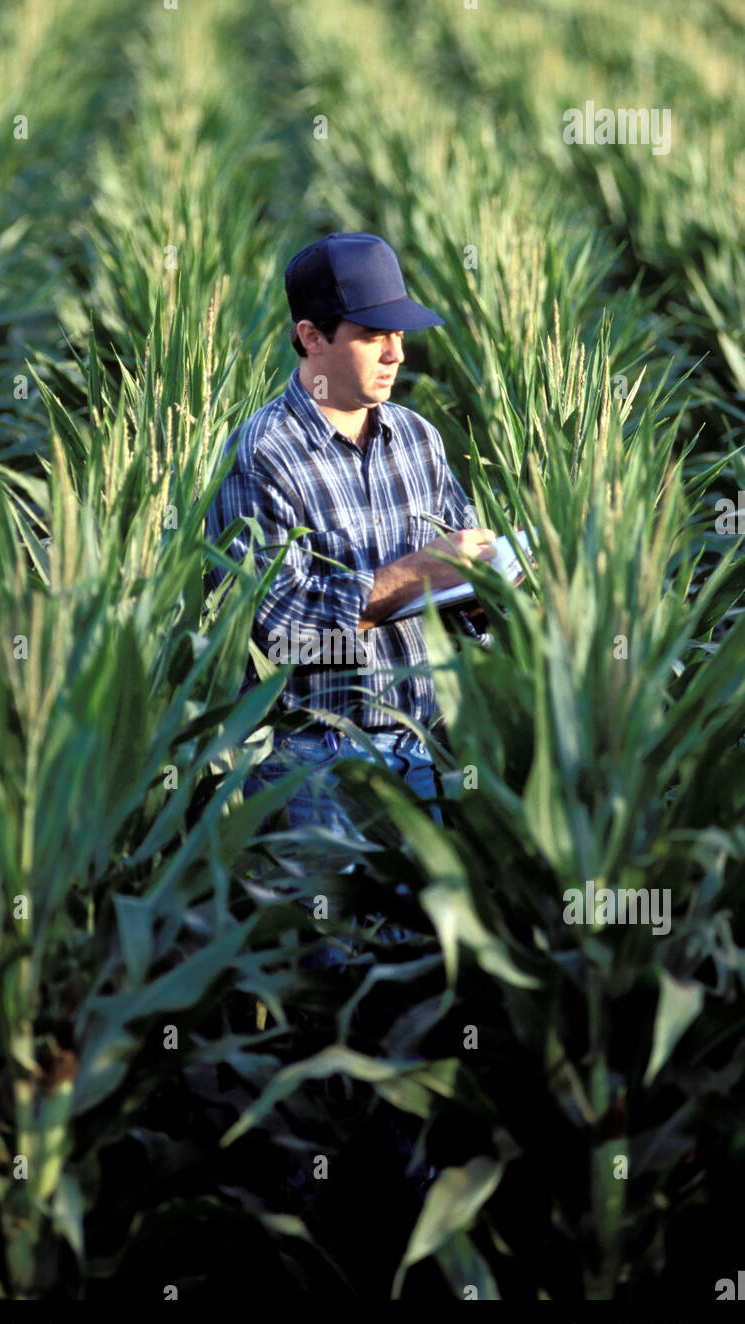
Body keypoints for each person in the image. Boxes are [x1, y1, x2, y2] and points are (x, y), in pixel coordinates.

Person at [205, 232, 496, 915]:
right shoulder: (260, 457)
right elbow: (275, 635)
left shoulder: (418, 438)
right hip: (314, 766)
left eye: (399, 332)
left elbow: (459, 582)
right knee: (332, 968)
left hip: (424, 751)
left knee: (422, 953)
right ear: (311, 337)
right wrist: (410, 576)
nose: (397, 352)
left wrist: (491, 590)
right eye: (373, 335)